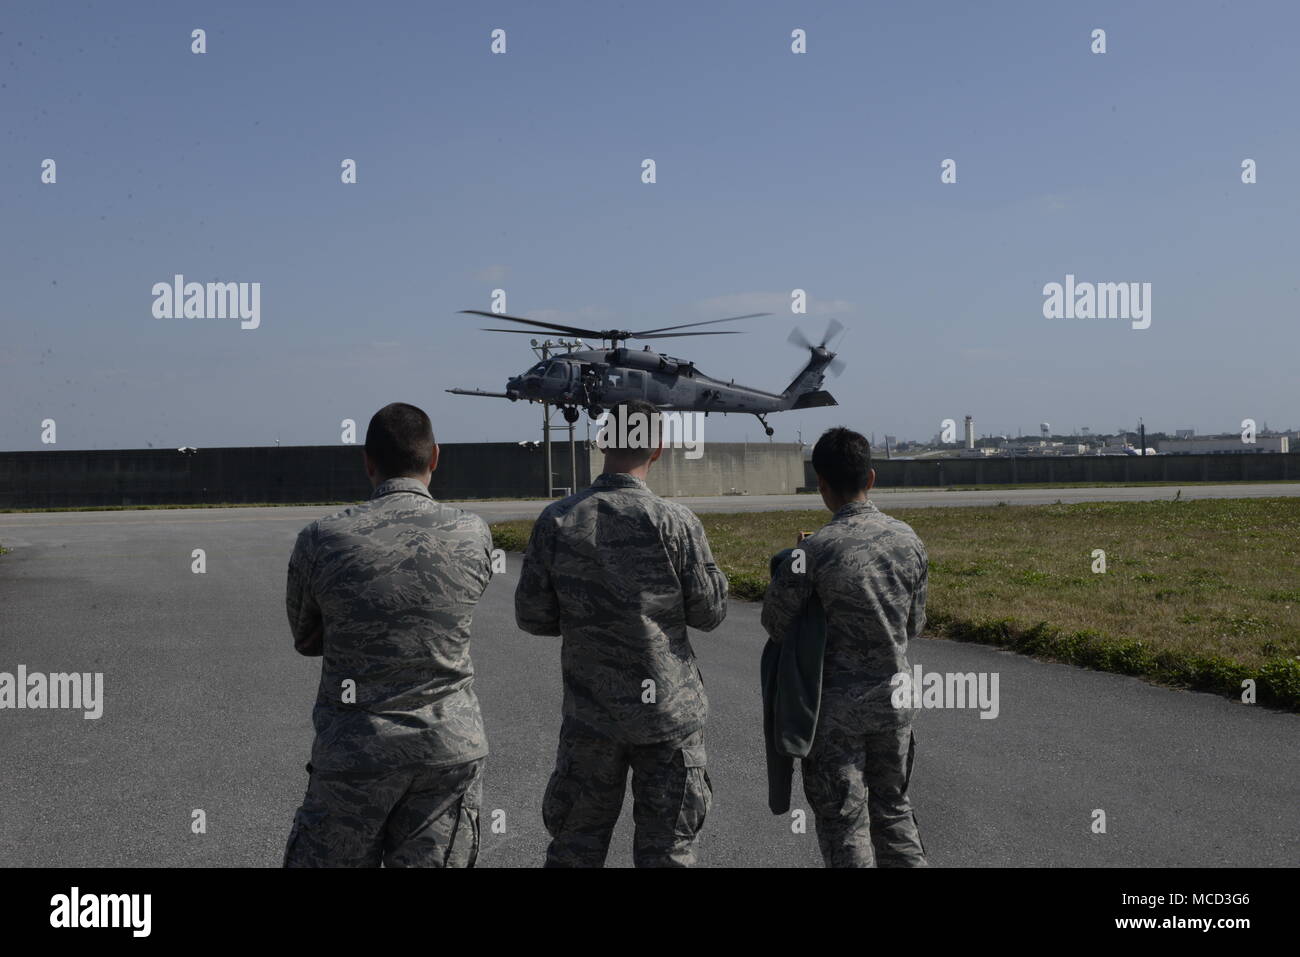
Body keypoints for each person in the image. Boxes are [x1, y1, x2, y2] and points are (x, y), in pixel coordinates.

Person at [515, 399, 728, 867]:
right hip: (668, 716)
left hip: (591, 718)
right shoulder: (677, 521)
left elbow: (531, 615)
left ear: (603, 441)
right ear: (658, 448)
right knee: (668, 852)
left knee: (574, 849)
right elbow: (710, 612)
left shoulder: (558, 519)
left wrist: (584, 620)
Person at [282, 402, 494, 867]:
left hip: (356, 748)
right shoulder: (472, 532)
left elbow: (305, 638)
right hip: (447, 747)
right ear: (434, 457)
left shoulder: (323, 537)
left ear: (367, 460)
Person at [761, 426, 929, 867]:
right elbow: (914, 624)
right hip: (894, 703)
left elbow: (776, 622)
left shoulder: (814, 551)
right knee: (894, 811)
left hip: (832, 713)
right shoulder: (908, 541)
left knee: (844, 823)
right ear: (870, 478)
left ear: (821, 485)